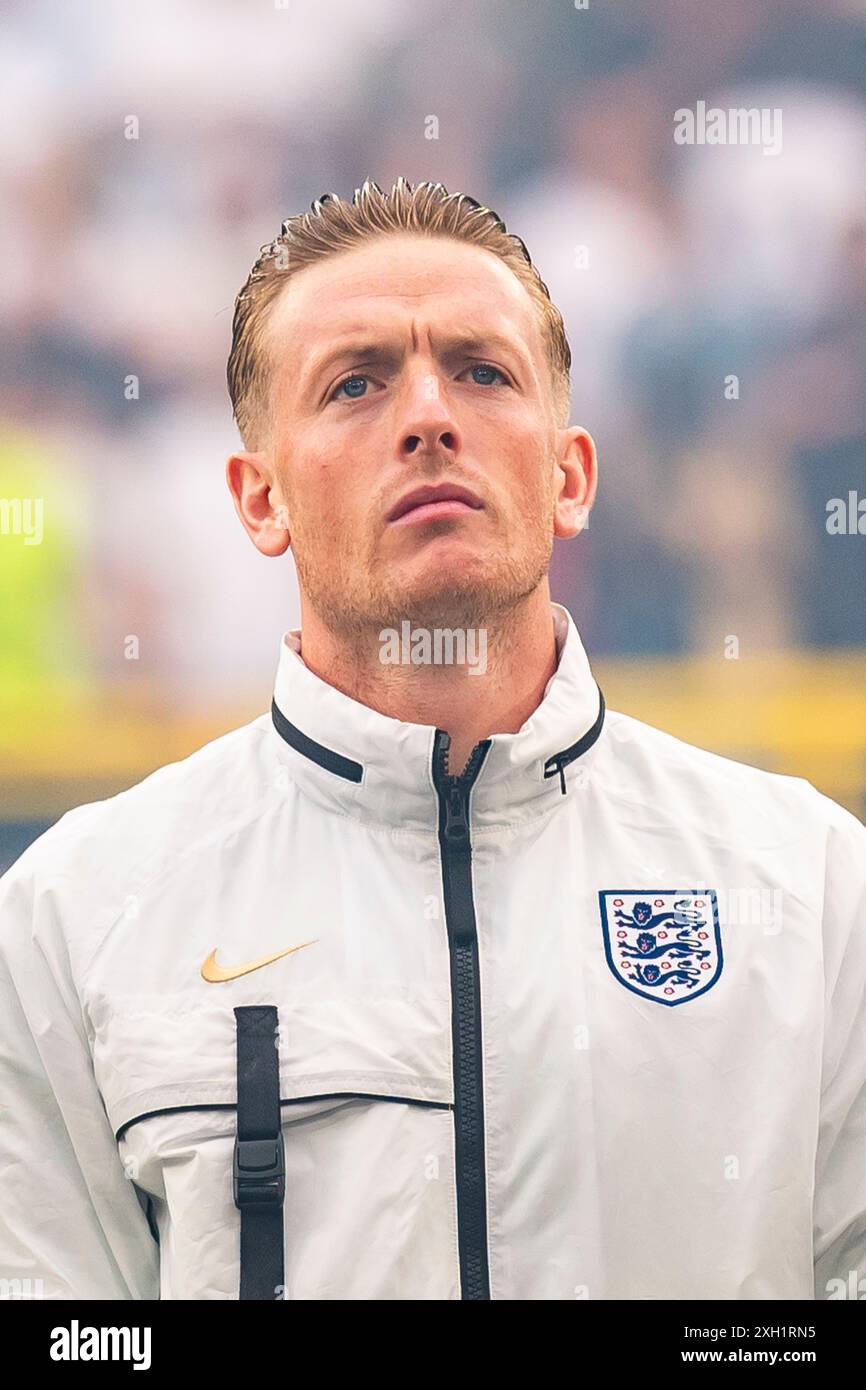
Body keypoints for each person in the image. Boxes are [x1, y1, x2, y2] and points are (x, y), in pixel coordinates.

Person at [1, 177, 864, 1301]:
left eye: (481, 371)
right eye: (354, 383)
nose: (427, 415)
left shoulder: (811, 885)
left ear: (568, 476)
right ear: (258, 501)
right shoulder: (71, 915)